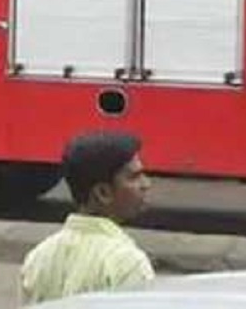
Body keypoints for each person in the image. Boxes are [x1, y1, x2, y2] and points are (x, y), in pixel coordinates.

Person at [20, 131, 154, 306]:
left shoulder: (38, 258)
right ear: (103, 193)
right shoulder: (127, 263)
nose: (146, 184)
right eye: (134, 177)